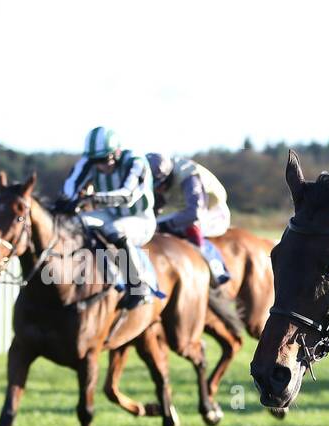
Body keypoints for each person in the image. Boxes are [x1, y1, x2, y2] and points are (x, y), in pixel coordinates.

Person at [61, 127, 157, 341]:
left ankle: (138, 286)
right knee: (74, 224)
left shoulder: (136, 161)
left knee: (115, 229)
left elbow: (127, 195)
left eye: (105, 160)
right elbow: (70, 187)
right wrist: (68, 201)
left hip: (139, 218)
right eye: (96, 162)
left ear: (117, 152)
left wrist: (91, 199)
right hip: (109, 213)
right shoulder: (89, 161)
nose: (101, 167)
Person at [147, 152, 231, 285]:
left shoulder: (188, 176)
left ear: (168, 176)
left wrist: (163, 226)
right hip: (189, 210)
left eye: (160, 186)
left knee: (190, 228)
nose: (158, 190)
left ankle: (216, 275)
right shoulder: (159, 177)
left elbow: (195, 213)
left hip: (212, 212)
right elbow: (153, 211)